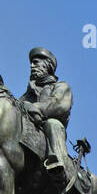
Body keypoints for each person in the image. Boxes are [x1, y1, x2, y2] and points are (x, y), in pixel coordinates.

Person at [18, 47, 74, 183]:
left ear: (47, 65)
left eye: (36, 62)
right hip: (31, 128)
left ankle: (57, 164)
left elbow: (58, 104)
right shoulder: (28, 94)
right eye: (31, 63)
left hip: (52, 130)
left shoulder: (61, 87)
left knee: (52, 124)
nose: (32, 66)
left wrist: (33, 107)